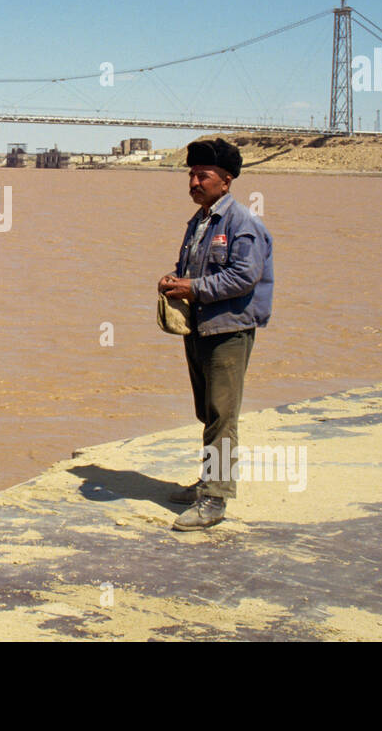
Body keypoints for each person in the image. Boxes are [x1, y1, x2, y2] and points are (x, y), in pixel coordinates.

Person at [157, 137, 273, 531]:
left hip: (229, 331)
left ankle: (215, 500)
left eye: (202, 175)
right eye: (191, 175)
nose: (193, 182)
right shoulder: (200, 221)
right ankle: (209, 480)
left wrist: (193, 289)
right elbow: (192, 267)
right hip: (200, 329)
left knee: (223, 416)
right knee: (206, 412)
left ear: (225, 181)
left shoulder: (243, 224)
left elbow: (244, 277)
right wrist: (175, 280)